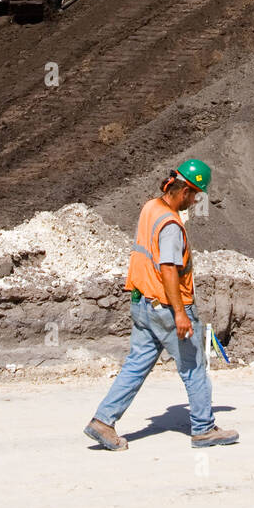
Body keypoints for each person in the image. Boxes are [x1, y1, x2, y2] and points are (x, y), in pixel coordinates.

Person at [84, 159, 238, 451]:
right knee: (194, 366)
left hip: (142, 302)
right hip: (167, 309)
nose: (194, 202)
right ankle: (204, 429)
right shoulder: (170, 225)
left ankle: (103, 421)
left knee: (137, 364)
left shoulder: (151, 208)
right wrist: (180, 313)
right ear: (184, 192)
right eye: (194, 196)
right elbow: (168, 268)